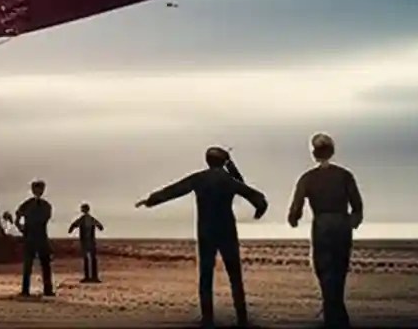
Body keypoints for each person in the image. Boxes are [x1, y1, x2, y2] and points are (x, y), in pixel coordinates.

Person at [136, 147, 268, 329]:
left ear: (207, 160)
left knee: (206, 275)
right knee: (235, 275)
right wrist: (259, 209)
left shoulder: (199, 178)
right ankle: (242, 317)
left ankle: (207, 319)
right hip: (227, 230)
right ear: (224, 161)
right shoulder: (228, 180)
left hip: (206, 231)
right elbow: (253, 194)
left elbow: (175, 189)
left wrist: (151, 200)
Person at [287, 133, 363, 329]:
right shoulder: (345, 175)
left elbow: (297, 205)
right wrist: (353, 222)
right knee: (339, 267)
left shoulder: (307, 178)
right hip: (342, 224)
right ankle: (335, 309)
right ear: (332, 151)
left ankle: (332, 310)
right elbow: (357, 205)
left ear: (314, 154)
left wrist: (294, 218)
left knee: (323, 268)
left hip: (321, 225)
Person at [14, 179, 55, 297]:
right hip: (31, 236)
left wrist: (23, 226)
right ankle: (25, 289)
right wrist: (21, 227)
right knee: (28, 265)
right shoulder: (29, 204)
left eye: (40, 189)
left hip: (40, 236)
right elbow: (18, 214)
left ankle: (47, 289)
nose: (39, 191)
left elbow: (44, 219)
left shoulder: (45, 205)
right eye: (36, 189)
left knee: (45, 264)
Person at [68, 203, 105, 282]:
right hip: (89, 241)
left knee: (88, 259)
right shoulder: (90, 219)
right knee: (92, 259)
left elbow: (74, 225)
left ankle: (89, 277)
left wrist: (70, 230)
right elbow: (100, 226)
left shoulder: (83, 219)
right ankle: (93, 277)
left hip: (86, 241)